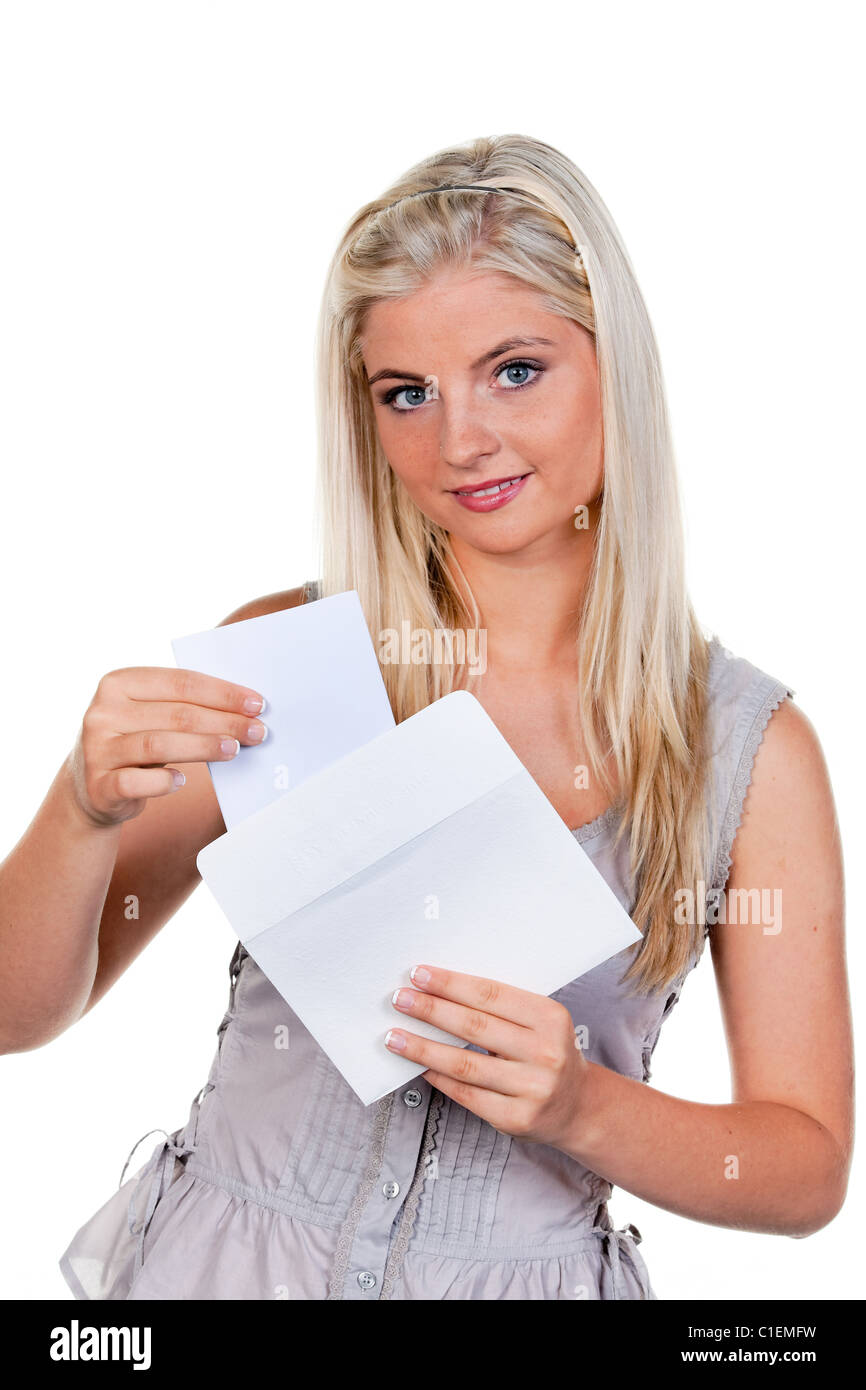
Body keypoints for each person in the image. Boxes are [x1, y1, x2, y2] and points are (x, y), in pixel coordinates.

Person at [1, 134, 852, 1301]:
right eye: (407, 393)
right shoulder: (298, 666)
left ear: (616, 366)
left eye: (515, 370)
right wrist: (81, 812)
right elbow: (16, 1016)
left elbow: (803, 1169)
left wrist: (580, 1104)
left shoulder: (745, 752)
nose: (459, 442)